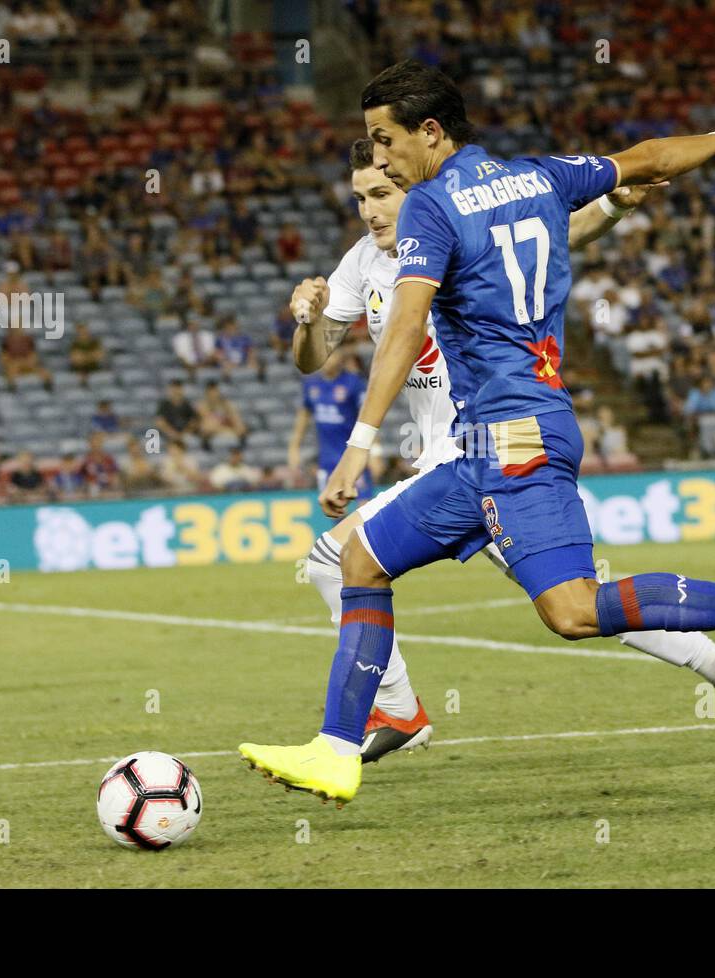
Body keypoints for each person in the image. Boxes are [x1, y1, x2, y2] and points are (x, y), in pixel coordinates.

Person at [240, 61, 715, 805]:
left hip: (516, 435)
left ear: (430, 132)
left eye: (386, 144)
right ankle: (339, 749)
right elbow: (650, 159)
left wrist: (356, 445)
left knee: (573, 610)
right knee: (358, 561)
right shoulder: (537, 176)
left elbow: (406, 325)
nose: (380, 159)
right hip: (480, 446)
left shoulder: (433, 209)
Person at [281, 137, 670, 761]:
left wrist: (614, 209)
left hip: (479, 448)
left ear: (417, 188)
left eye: (382, 194)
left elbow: (554, 234)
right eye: (359, 200)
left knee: (337, 558)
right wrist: (307, 319)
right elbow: (314, 358)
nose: (371, 211)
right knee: (579, 602)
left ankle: (401, 714)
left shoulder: (451, 228)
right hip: (461, 460)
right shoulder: (361, 263)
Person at [286, 344, 373, 502]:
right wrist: (294, 447)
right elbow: (304, 415)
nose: (326, 360)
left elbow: (368, 415)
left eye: (331, 355)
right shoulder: (311, 384)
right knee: (334, 507)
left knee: (364, 507)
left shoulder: (353, 383)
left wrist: (376, 451)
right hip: (327, 460)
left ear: (340, 357)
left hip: (353, 455)